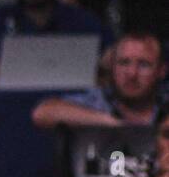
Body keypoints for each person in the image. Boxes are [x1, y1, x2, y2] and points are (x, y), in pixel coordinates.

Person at [31, 31, 167, 129]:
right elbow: (42, 113)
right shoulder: (99, 100)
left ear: (162, 70)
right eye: (123, 63)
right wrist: (111, 123)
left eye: (144, 64)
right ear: (112, 67)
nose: (132, 74)